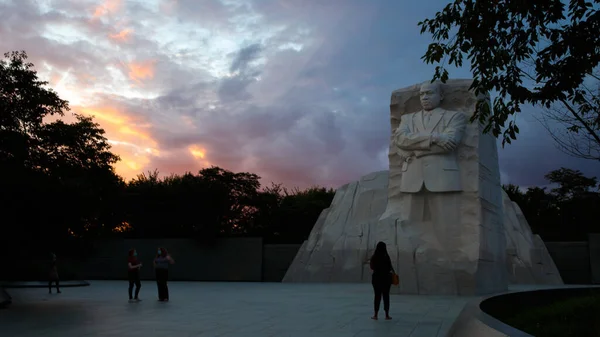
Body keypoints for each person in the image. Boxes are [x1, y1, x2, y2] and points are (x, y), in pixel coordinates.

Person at [393, 81, 467, 254]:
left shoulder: (455, 117)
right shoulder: (407, 119)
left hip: (443, 178)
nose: (424, 97)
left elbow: (450, 144)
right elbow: (401, 141)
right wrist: (435, 137)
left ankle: (449, 259)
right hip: (412, 178)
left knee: (446, 226)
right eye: (422, 94)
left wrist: (416, 149)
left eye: (429, 93)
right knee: (409, 225)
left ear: (441, 96)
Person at [369, 242, 394, 320]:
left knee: (377, 296)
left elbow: (372, 267)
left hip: (376, 279)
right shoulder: (386, 256)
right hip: (386, 279)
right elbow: (390, 267)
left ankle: (375, 314)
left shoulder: (374, 257)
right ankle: (387, 315)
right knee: (386, 296)